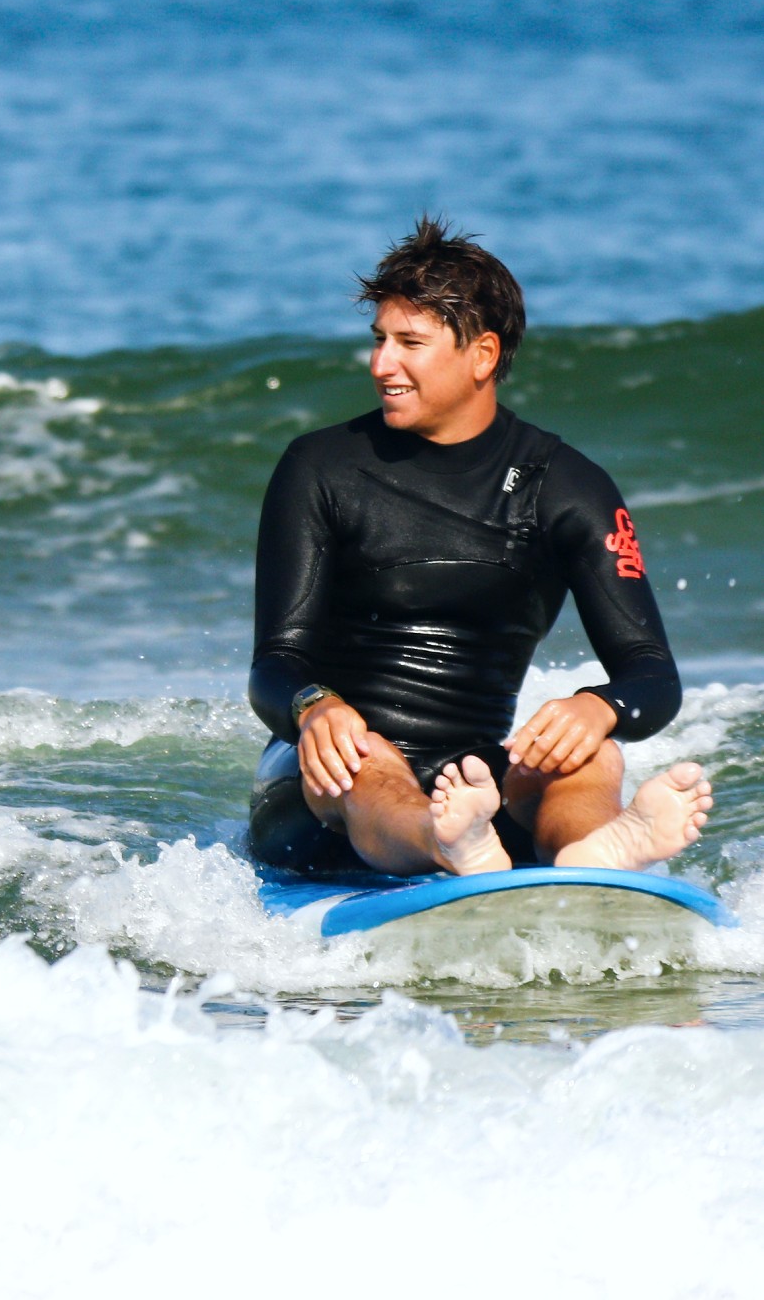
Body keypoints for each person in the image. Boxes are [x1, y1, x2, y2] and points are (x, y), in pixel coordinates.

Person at [247, 217, 711, 877]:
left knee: (589, 755)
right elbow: (275, 663)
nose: (381, 363)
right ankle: (443, 844)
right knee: (365, 759)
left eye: (409, 342)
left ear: (482, 355)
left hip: (471, 791)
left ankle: (589, 852)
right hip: (320, 788)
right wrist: (312, 705)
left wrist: (598, 705)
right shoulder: (320, 468)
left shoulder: (565, 486)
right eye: (378, 340)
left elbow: (650, 673)